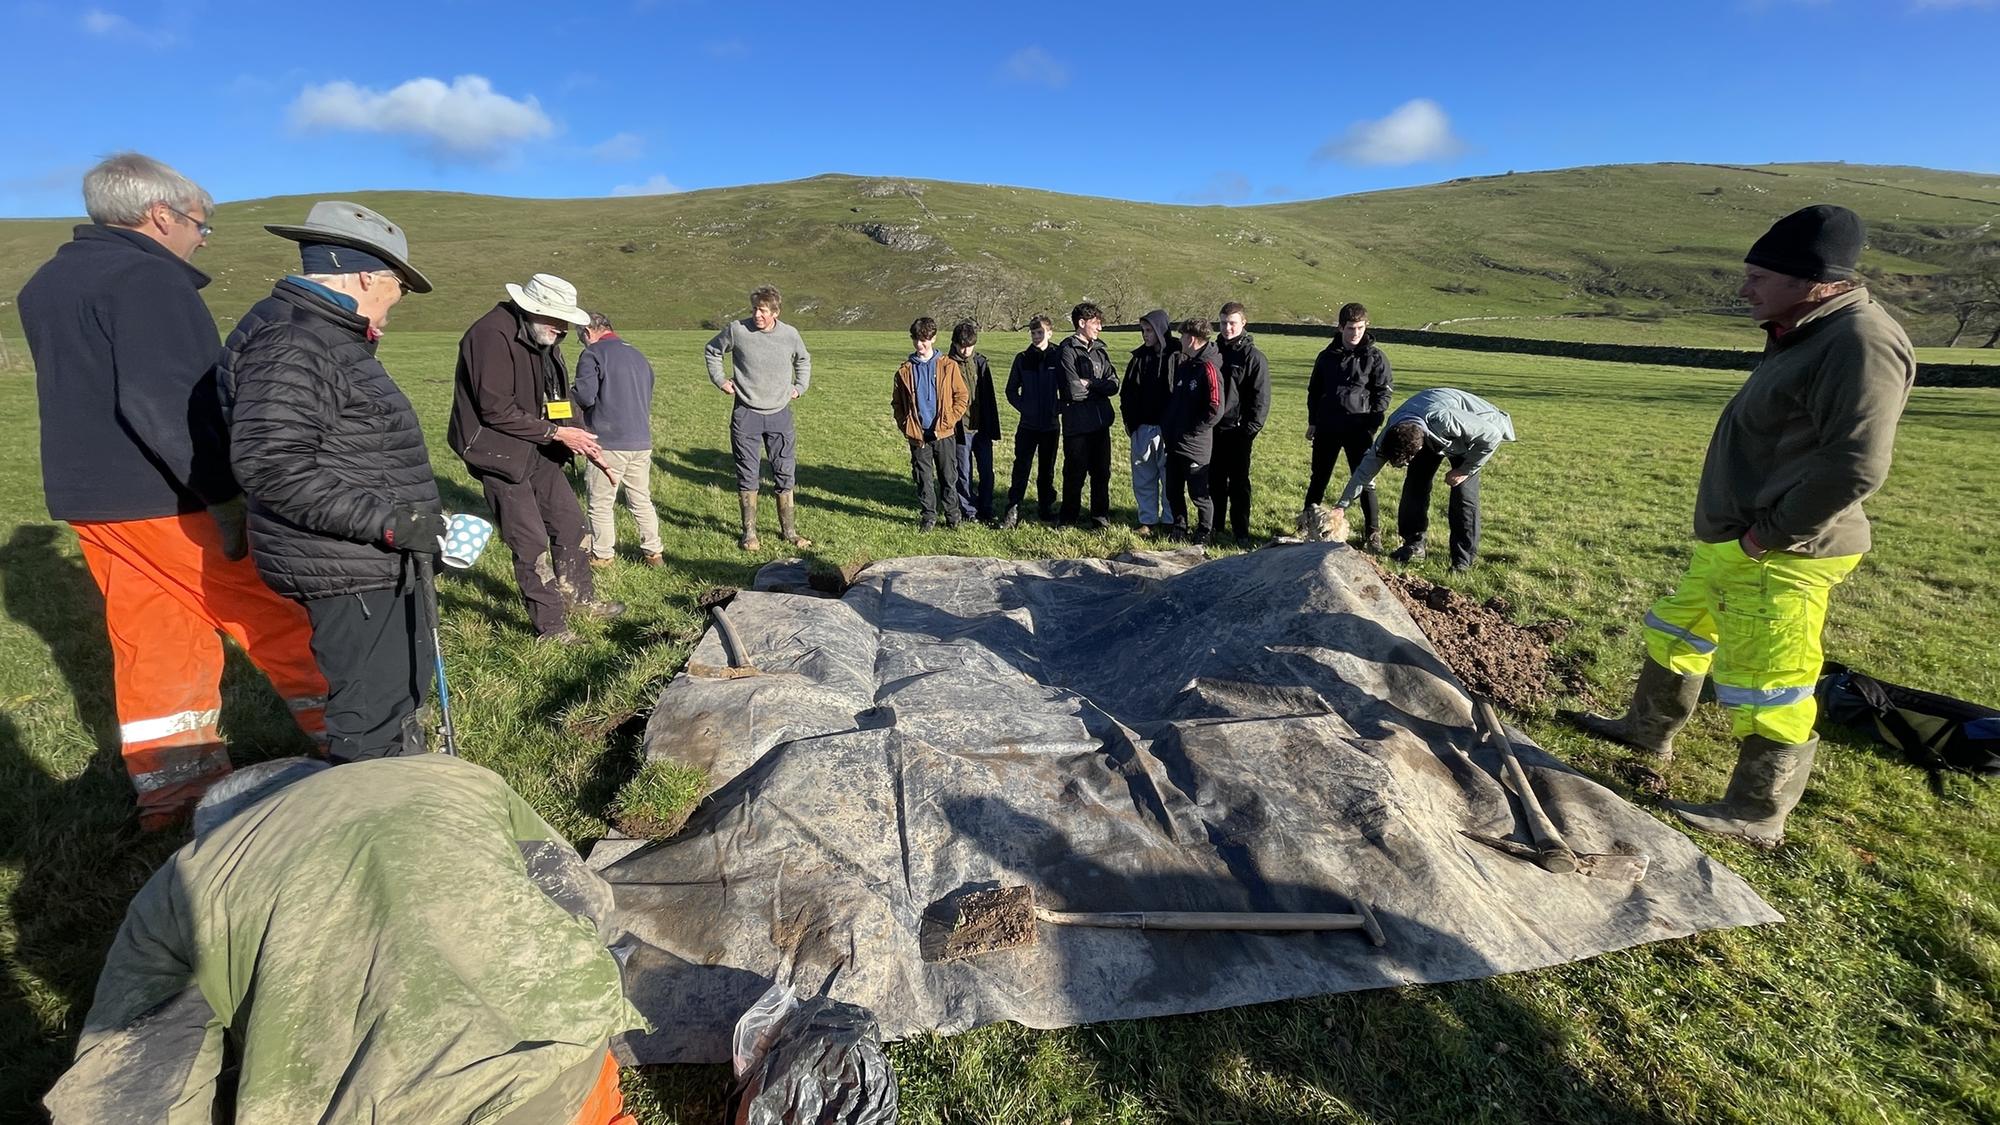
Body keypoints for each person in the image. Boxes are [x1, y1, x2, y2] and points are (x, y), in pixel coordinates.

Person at [1568, 204, 1916, 847]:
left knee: (1771, 678)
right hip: (1736, 541)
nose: (1743, 289)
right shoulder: (1804, 329)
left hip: (1780, 551)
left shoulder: (1859, 341)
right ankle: (1648, 730)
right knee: (1679, 628)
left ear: (1813, 281)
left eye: (1758, 277)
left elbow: (1856, 465)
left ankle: (1758, 809)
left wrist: (1769, 535)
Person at [45, 755, 644, 1124]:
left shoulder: (184, 887)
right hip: (563, 1064)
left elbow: (132, 1095)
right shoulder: (455, 779)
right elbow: (581, 901)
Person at [15, 152, 328, 829]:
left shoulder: (47, 282)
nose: (200, 238)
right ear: (159, 215)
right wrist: (227, 494)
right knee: (272, 610)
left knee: (154, 636)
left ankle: (173, 795)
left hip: (91, 500)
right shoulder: (147, 280)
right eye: (199, 224)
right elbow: (171, 404)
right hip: (169, 497)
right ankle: (359, 735)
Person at [220, 201, 445, 764]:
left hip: (364, 556)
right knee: (370, 710)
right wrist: (393, 523)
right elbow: (272, 464)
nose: (398, 302)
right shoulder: (296, 340)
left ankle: (397, 778)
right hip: (348, 563)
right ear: (367, 274)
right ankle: (368, 817)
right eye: (398, 287)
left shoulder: (319, 334)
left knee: (394, 693)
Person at [448, 273, 623, 643]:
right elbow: (495, 409)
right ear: (532, 310)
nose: (562, 330)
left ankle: (579, 597)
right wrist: (558, 433)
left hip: (541, 448)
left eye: (566, 323)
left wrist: (584, 439)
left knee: (570, 523)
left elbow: (560, 397)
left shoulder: (546, 338)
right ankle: (551, 626)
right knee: (528, 539)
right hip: (498, 453)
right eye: (557, 321)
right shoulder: (489, 336)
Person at [1330, 387, 1515, 571]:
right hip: (1426, 427)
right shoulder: (1390, 434)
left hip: (1471, 438)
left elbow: (1492, 435)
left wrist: (1465, 470)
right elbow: (1364, 472)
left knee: (1463, 496)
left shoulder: (1446, 419)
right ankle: (1414, 544)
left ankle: (1462, 561)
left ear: (1417, 449)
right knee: (1414, 485)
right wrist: (1341, 505)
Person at [704, 285, 813, 550]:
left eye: (763, 310)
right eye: (754, 309)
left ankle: (789, 531)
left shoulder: (790, 334)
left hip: (780, 414)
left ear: (775, 312)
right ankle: (749, 533)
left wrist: (800, 386)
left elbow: (803, 360)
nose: (757, 315)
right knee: (747, 473)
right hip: (746, 414)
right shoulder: (737, 330)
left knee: (784, 472)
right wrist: (720, 380)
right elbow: (712, 350)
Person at [574, 310, 663, 568]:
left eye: (581, 337)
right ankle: (653, 552)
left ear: (588, 332)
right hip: (641, 440)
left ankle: (602, 555)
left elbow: (585, 396)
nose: (582, 342)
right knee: (640, 499)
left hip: (608, 442)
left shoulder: (592, 354)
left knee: (601, 502)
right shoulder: (638, 355)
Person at [1304, 302, 1394, 552]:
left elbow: (1383, 393)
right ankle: (1307, 525)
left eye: (1360, 327)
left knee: (1365, 481)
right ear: (1340, 327)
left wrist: (1372, 424)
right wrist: (1313, 420)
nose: (1356, 333)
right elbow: (1314, 390)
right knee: (1318, 478)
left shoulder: (1376, 358)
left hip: (1359, 429)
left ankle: (1372, 534)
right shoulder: (1326, 356)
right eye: (1351, 328)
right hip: (1327, 427)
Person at [892, 317, 971, 531]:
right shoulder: (904, 371)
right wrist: (906, 425)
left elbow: (961, 396)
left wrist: (947, 422)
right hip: (919, 436)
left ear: (933, 338)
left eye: (924, 340)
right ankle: (928, 517)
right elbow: (897, 403)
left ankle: (953, 517)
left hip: (944, 434)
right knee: (923, 479)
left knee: (949, 478)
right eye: (916, 340)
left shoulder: (949, 366)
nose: (920, 345)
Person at [1210, 302, 1271, 545]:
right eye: (1223, 323)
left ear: (1243, 323)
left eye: (1232, 323)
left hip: (1239, 431)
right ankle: (1214, 526)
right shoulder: (1212, 352)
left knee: (1238, 483)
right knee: (1213, 480)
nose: (1227, 328)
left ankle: (1241, 531)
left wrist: (1249, 429)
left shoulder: (1254, 358)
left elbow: (1261, 398)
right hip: (1213, 428)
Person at [1057, 301, 1120, 528]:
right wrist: (1099, 388)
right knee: (1074, 473)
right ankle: (1068, 518)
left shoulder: (1100, 351)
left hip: (1101, 422)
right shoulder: (1066, 350)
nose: (1100, 328)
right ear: (1081, 323)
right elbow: (1073, 390)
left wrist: (1091, 383)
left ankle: (1100, 517)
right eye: (1096, 323)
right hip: (1077, 424)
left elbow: (1114, 385)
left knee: (1102, 473)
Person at [1162, 318, 1224, 544]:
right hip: (1174, 441)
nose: (1180, 340)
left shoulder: (1208, 368)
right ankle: (1179, 527)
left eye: (1182, 336)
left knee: (1199, 493)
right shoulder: (1185, 365)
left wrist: (1192, 431)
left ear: (1192, 339)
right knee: (1173, 490)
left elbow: (1216, 408)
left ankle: (1205, 530)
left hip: (1194, 445)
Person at [999, 315, 1064, 527]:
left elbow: (1068, 389)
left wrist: (1058, 408)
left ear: (1050, 333)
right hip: (1027, 425)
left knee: (1047, 470)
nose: (1036, 336)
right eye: (1033, 333)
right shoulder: (1022, 358)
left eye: (1040, 332)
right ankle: (1013, 510)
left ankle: (1045, 508)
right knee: (1021, 467)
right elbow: (1010, 390)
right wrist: (1025, 408)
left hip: (1051, 425)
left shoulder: (1059, 356)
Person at [1120, 309, 1174, 537]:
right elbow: (1127, 393)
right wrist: (1131, 424)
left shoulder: (1178, 354)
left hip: (1170, 429)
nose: (1145, 335)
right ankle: (1148, 521)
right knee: (1143, 476)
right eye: (1143, 330)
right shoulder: (1139, 358)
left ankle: (1171, 522)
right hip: (1143, 428)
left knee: (1170, 478)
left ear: (1161, 329)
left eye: (1149, 330)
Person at [950, 320, 1001, 523]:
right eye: (962, 345)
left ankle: (986, 508)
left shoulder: (981, 362)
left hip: (982, 427)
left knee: (987, 471)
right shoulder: (947, 365)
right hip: (961, 427)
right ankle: (968, 510)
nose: (966, 350)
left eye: (970, 345)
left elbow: (989, 397)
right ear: (954, 343)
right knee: (963, 472)